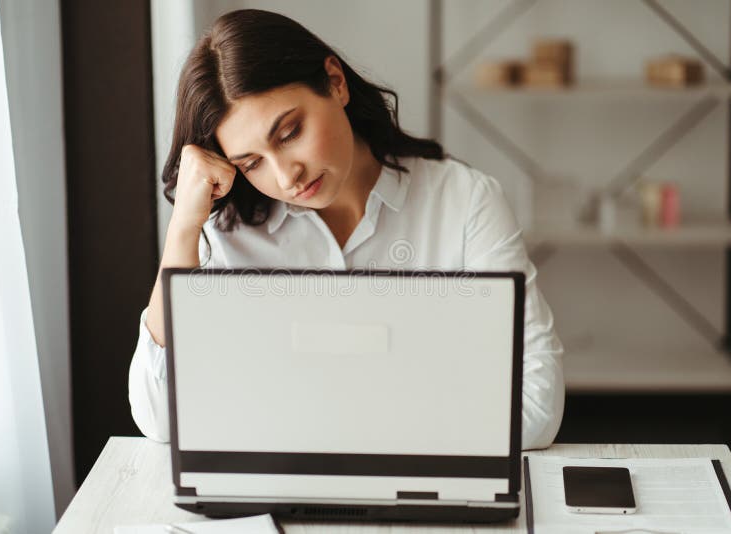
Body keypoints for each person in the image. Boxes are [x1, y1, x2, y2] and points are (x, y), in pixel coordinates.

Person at [129, 9, 564, 450]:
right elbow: (160, 416)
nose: (286, 176)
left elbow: (537, 405)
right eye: (252, 163)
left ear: (335, 82)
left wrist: (299, 420)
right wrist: (183, 228)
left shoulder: (465, 202)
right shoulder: (224, 233)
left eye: (290, 132)